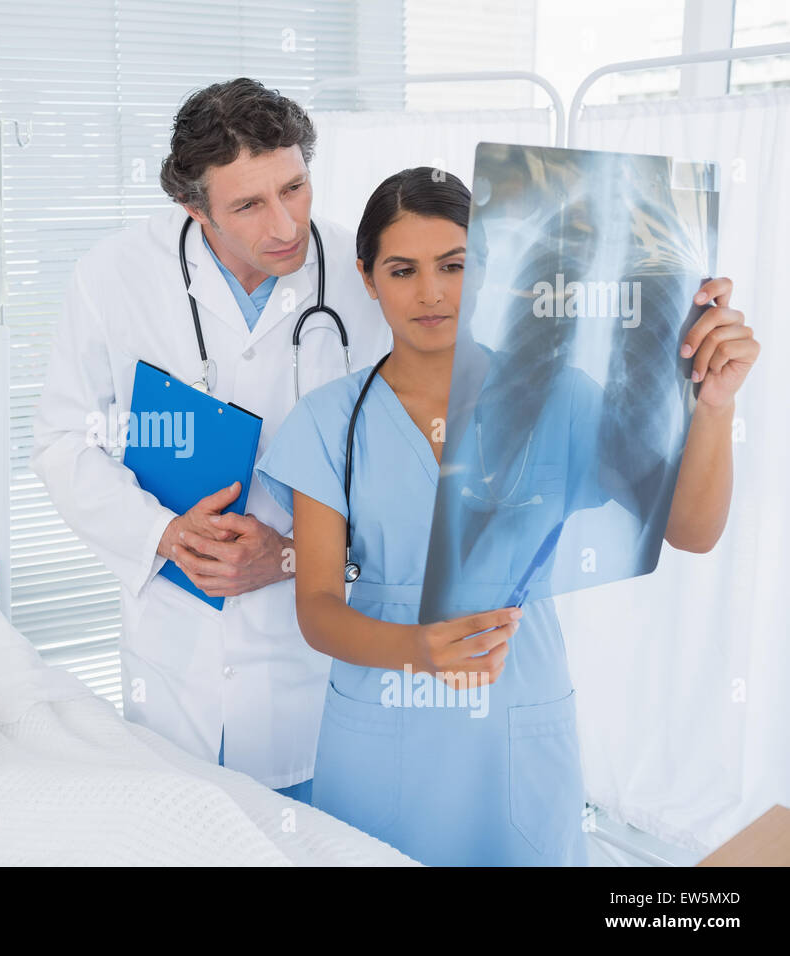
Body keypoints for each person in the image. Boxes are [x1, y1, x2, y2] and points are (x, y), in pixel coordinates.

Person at [253, 166, 760, 865]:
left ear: (486, 266)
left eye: (454, 265)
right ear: (369, 280)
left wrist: (715, 403)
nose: (431, 292)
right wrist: (416, 650)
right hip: (384, 715)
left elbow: (692, 531)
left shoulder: (562, 400)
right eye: (403, 270)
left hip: (517, 706)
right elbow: (315, 608)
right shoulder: (327, 421)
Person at [31, 78, 388, 801]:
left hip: (319, 662)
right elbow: (63, 440)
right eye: (250, 205)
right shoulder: (114, 276)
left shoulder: (367, 279)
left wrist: (286, 557)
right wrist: (164, 534)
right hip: (177, 658)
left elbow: (410, 484)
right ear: (194, 207)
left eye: (295, 187)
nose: (286, 225)